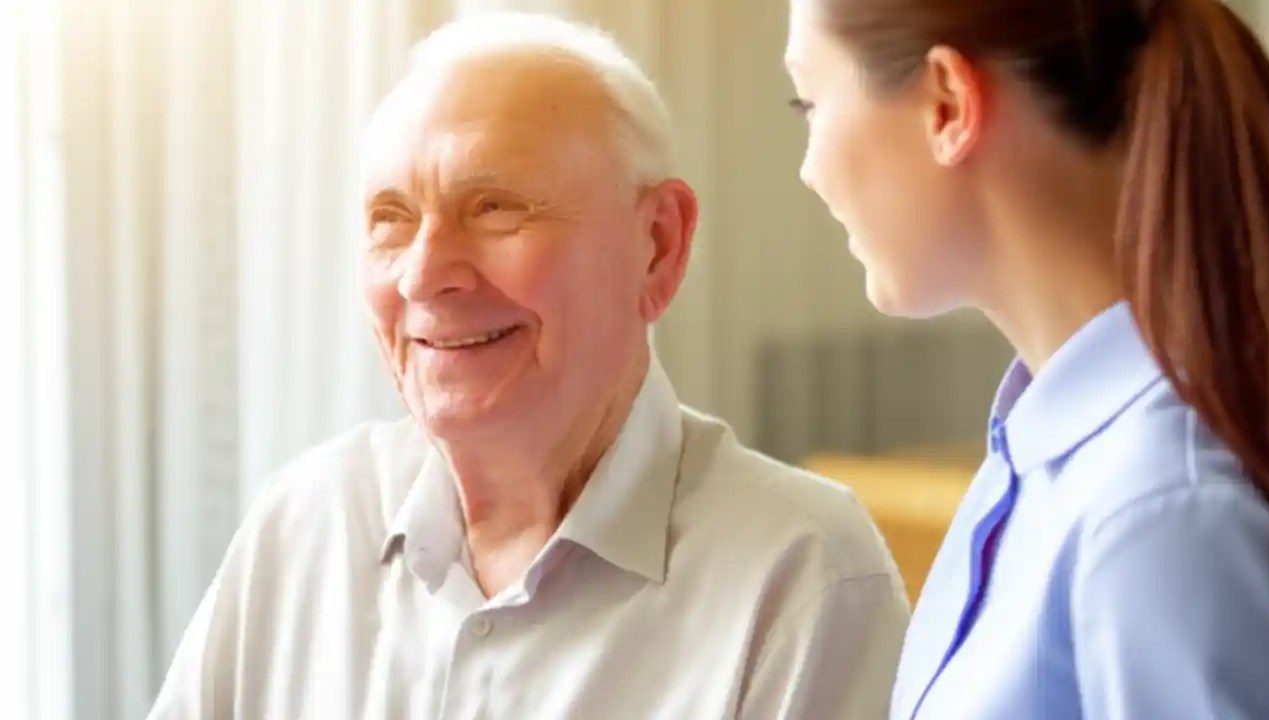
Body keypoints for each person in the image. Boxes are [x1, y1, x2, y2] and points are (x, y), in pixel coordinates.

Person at [149, 11, 909, 719]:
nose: (423, 276)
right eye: (391, 218)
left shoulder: (801, 577)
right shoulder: (304, 526)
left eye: (494, 207)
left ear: (657, 246)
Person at [784, 0, 1269, 717]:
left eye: (808, 102)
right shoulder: (1035, 462)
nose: (808, 171)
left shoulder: (1161, 515)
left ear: (947, 105)